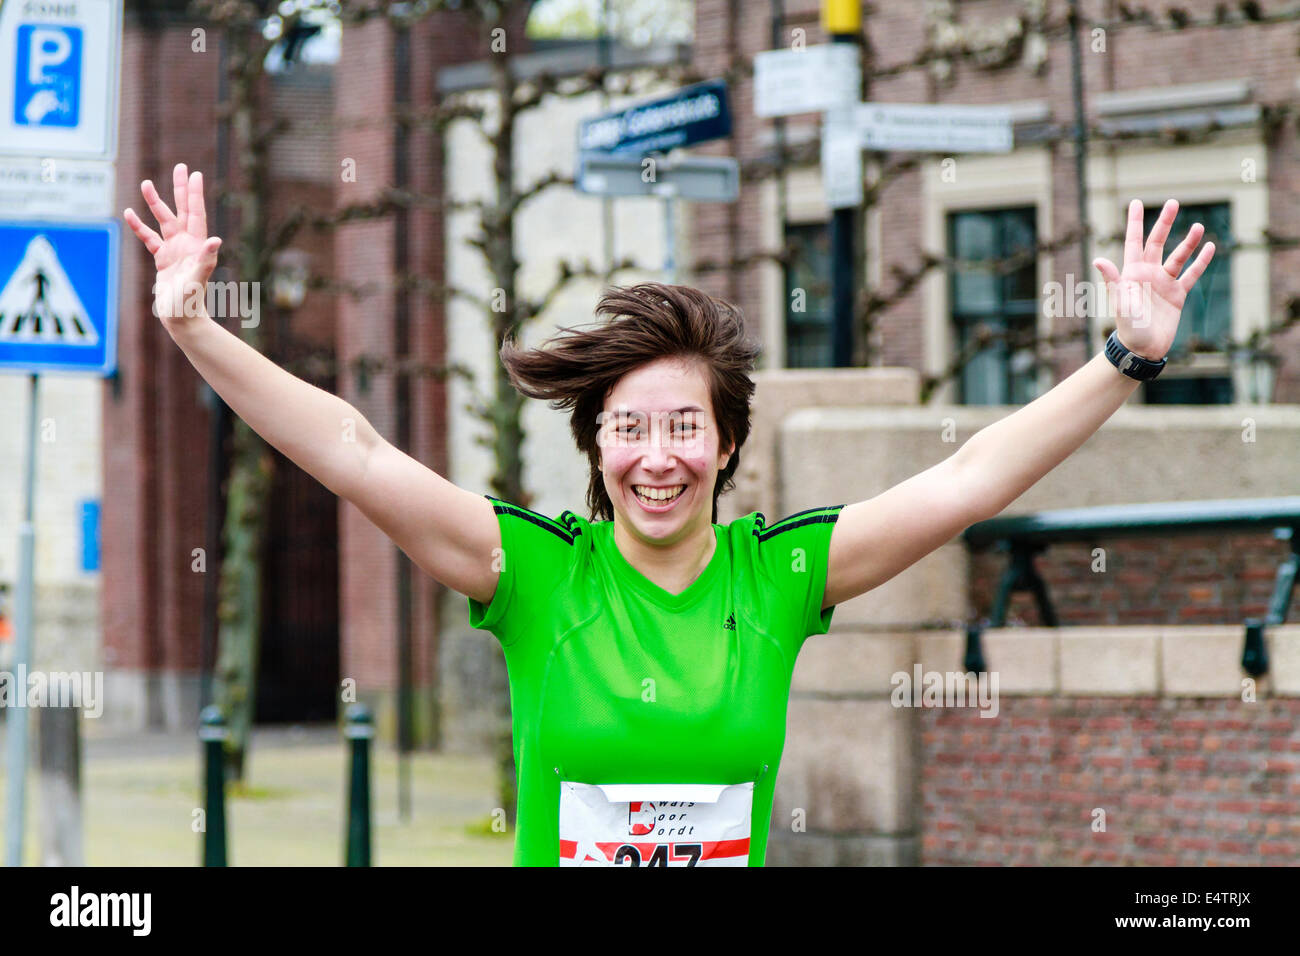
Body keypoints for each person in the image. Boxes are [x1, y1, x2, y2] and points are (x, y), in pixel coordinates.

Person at [125, 163, 1214, 867]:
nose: (659, 457)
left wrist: (1123, 359)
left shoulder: (780, 574)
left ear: (727, 441)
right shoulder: (535, 572)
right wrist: (194, 330)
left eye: (685, 427)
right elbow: (357, 452)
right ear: (595, 445)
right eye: (630, 429)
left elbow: (967, 477)